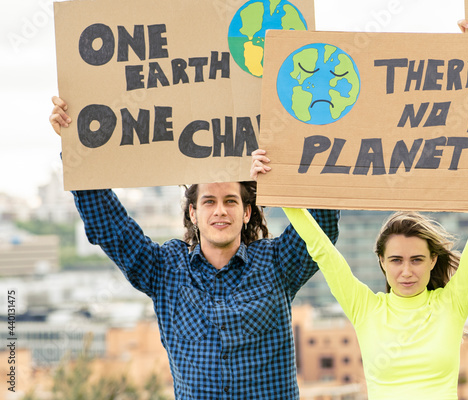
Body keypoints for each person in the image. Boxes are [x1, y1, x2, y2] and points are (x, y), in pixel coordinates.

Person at [48, 96, 341, 399]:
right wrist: (74, 145)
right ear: (192, 213)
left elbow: (323, 226)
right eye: (209, 202)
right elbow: (111, 228)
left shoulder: (278, 263)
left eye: (230, 201)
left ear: (247, 212)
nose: (220, 211)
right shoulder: (165, 271)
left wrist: (288, 164)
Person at [281, 207, 468, 400]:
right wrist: (278, 188)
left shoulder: (452, 304)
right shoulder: (365, 309)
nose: (406, 272)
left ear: (433, 260)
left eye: (417, 259)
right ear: (382, 262)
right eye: (396, 260)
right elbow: (322, 251)